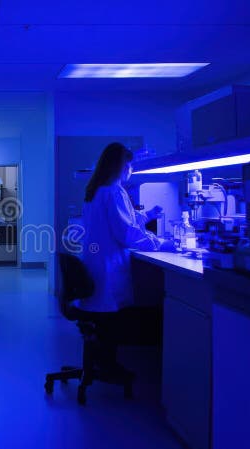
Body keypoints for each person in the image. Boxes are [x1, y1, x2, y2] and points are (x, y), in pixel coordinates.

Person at [75, 142, 172, 381]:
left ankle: (102, 360)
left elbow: (123, 220)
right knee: (110, 318)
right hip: (107, 266)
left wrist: (148, 215)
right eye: (129, 164)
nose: (131, 169)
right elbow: (126, 233)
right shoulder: (114, 191)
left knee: (104, 317)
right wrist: (160, 243)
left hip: (96, 263)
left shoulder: (96, 190)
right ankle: (108, 365)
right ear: (119, 165)